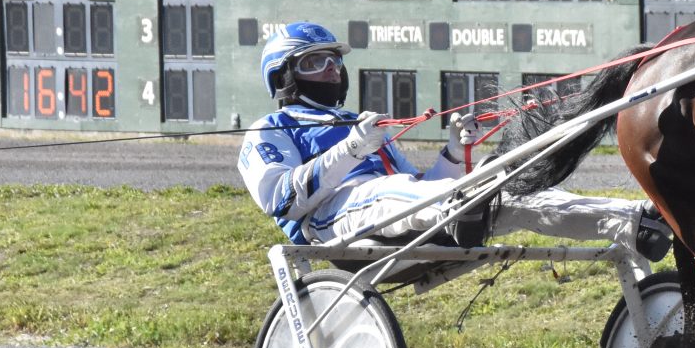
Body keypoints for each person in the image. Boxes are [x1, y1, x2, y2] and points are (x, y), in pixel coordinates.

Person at [238, 22, 668, 259]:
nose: (331, 69)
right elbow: (282, 200)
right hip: (330, 224)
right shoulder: (269, 129)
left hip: (403, 209)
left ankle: (637, 221)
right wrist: (351, 148)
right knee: (392, 191)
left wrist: (454, 154)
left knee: (512, 193)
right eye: (315, 62)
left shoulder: (360, 125)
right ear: (284, 76)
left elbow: (421, 187)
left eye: (334, 60)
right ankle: (462, 203)